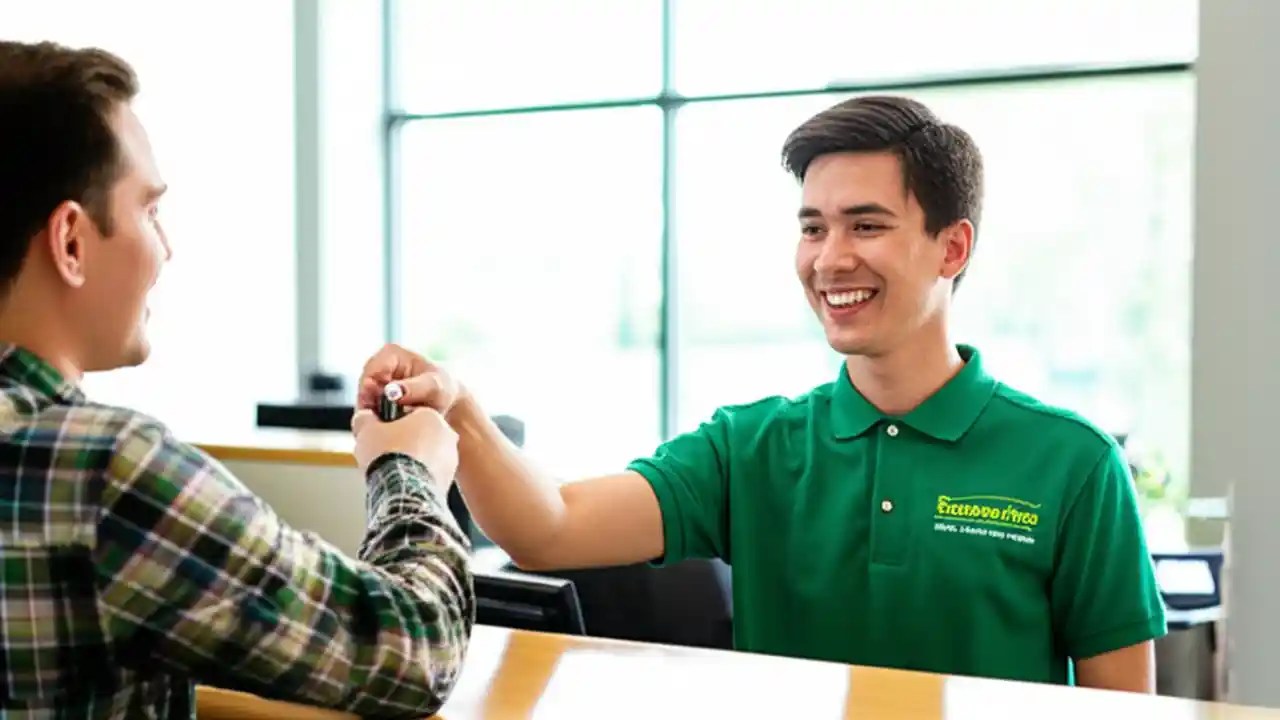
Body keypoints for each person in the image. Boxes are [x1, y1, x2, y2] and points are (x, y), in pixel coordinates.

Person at [359, 95, 1167, 692]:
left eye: (867, 225)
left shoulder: (1074, 465)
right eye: (813, 227)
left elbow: (1128, 712)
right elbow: (550, 528)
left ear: (951, 246)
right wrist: (458, 407)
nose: (830, 258)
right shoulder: (751, 446)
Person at [0, 40, 473, 718]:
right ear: (71, 242)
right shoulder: (106, 474)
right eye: (149, 209)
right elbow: (415, 648)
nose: (167, 247)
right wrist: (407, 471)